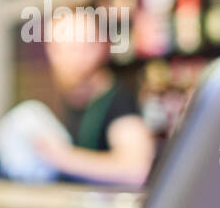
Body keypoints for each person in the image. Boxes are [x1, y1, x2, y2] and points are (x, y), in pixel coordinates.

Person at [34, 11, 155, 186]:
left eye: (80, 46)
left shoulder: (118, 100)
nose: (72, 56)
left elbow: (136, 169)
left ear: (102, 46)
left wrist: (59, 157)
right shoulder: (70, 100)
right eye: (61, 47)